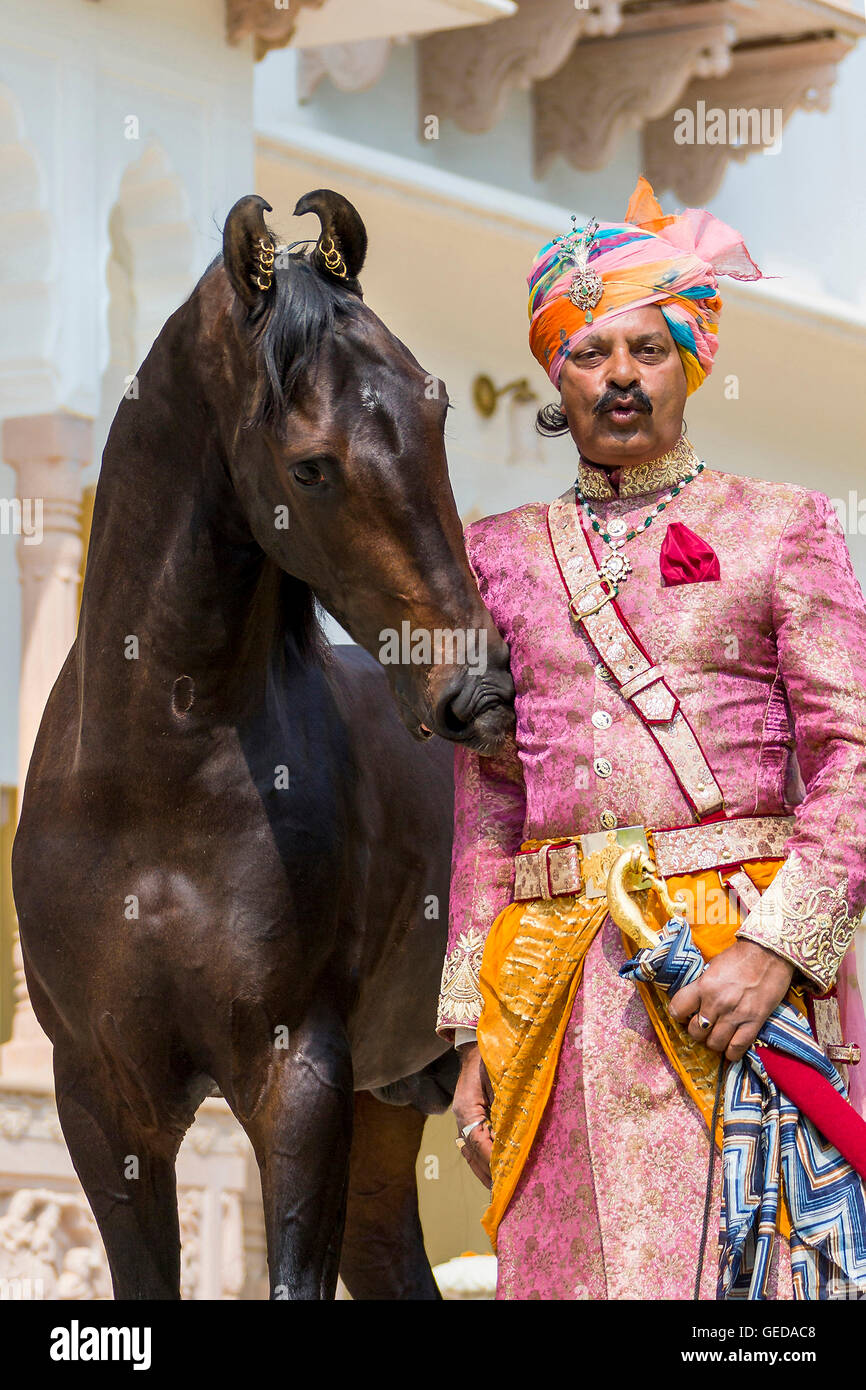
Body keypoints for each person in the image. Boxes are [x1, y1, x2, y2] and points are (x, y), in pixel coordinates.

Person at [436, 176, 866, 1300]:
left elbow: (851, 757)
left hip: (729, 976)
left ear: (691, 357)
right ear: (552, 373)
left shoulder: (781, 524)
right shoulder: (499, 554)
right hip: (552, 991)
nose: (618, 375)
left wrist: (774, 951)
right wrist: (471, 1033)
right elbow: (485, 806)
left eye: (645, 347)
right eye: (587, 352)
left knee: (745, 1291)